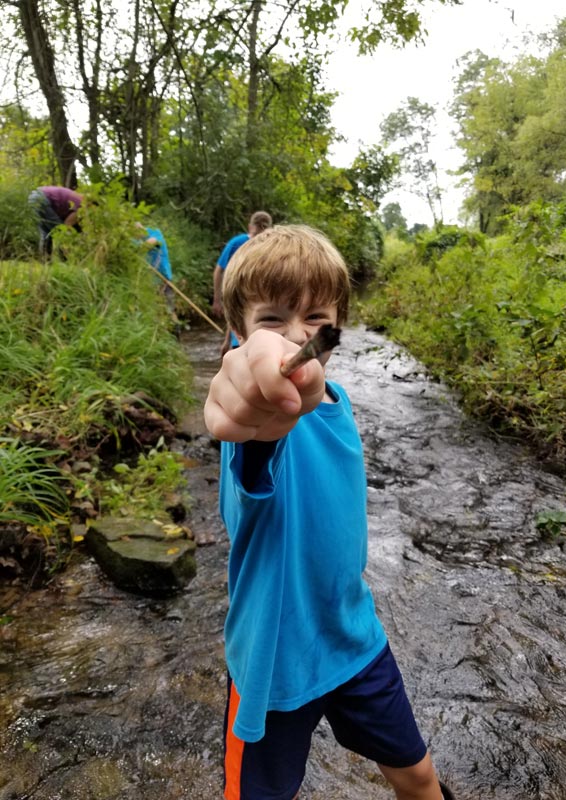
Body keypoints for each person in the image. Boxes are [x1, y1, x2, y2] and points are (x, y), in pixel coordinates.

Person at [203, 224, 456, 800]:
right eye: (272, 320)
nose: (297, 337)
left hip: (354, 639)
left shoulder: (339, 406)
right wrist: (253, 375)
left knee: (418, 777)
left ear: (339, 325)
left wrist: (276, 346)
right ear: (237, 331)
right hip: (272, 665)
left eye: (317, 318)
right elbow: (255, 418)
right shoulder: (258, 426)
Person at [212, 211, 272, 356]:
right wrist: (217, 300)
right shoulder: (239, 243)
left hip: (247, 327)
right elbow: (219, 271)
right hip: (251, 328)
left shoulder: (267, 245)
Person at [28, 185, 84, 257]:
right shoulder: (81, 205)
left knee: (46, 233)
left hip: (34, 197)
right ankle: (64, 259)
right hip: (42, 198)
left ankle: (45, 263)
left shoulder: (77, 198)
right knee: (60, 231)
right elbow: (67, 225)